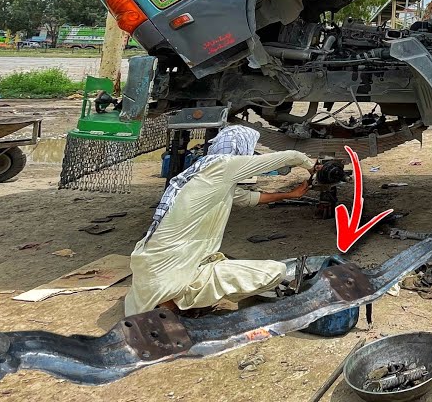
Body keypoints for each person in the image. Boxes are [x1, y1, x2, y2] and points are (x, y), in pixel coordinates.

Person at [124, 125, 315, 316]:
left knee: (216, 265)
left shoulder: (204, 174)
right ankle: (173, 305)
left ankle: (174, 303)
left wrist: (291, 194)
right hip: (171, 269)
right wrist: (312, 166)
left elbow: (249, 198)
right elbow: (292, 156)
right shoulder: (223, 166)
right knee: (277, 271)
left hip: (153, 269)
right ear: (242, 148)